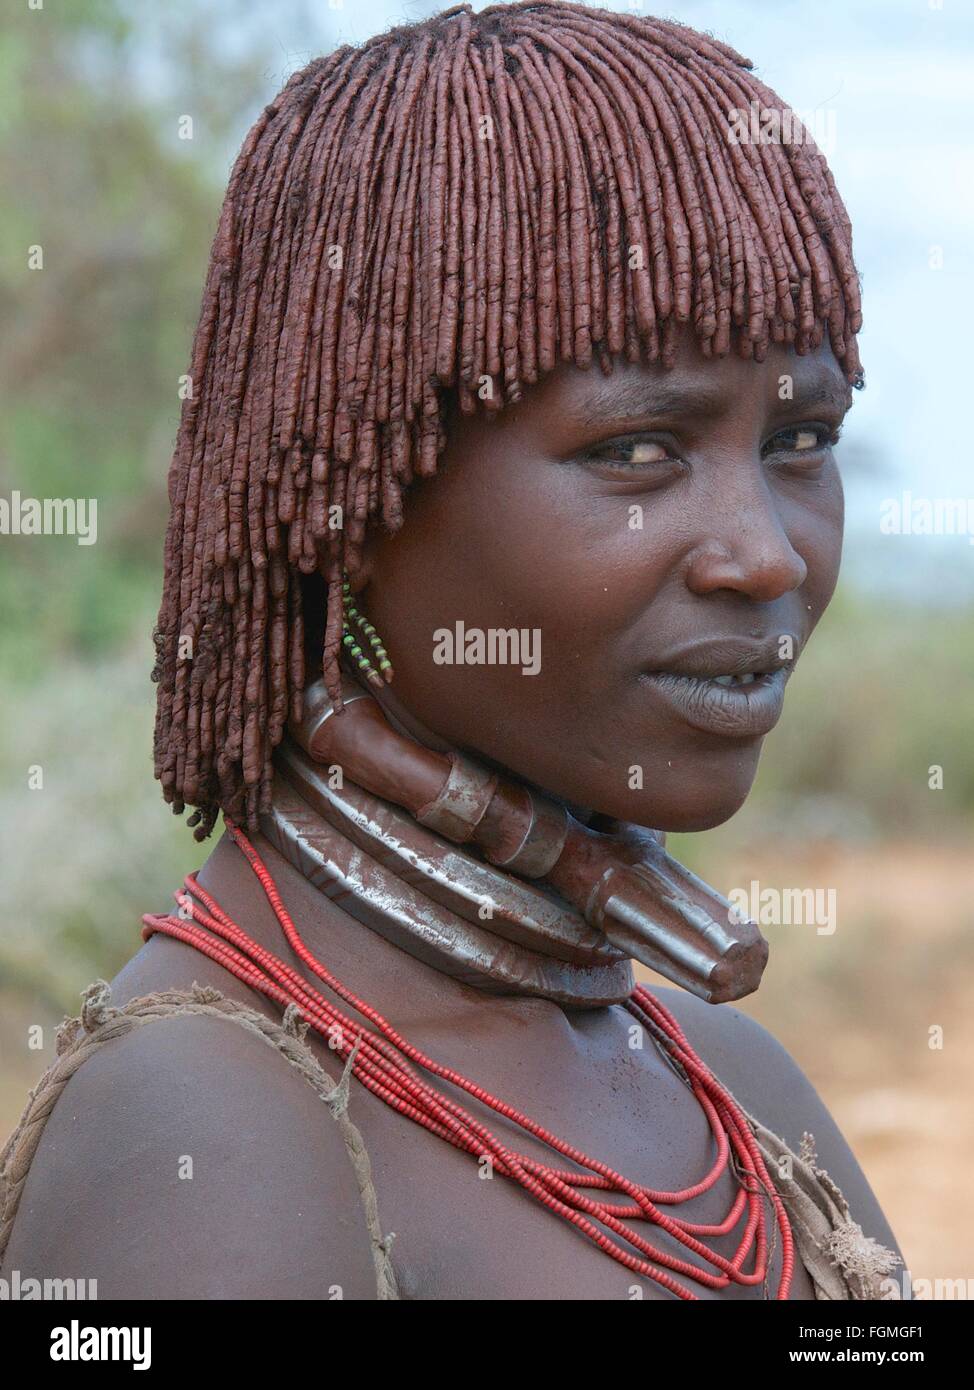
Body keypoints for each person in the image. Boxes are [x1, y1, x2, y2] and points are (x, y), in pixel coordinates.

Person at [0, 0, 904, 1300]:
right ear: (349, 506)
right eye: (635, 449)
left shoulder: (729, 1083)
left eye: (798, 439)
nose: (762, 554)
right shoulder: (215, 1132)